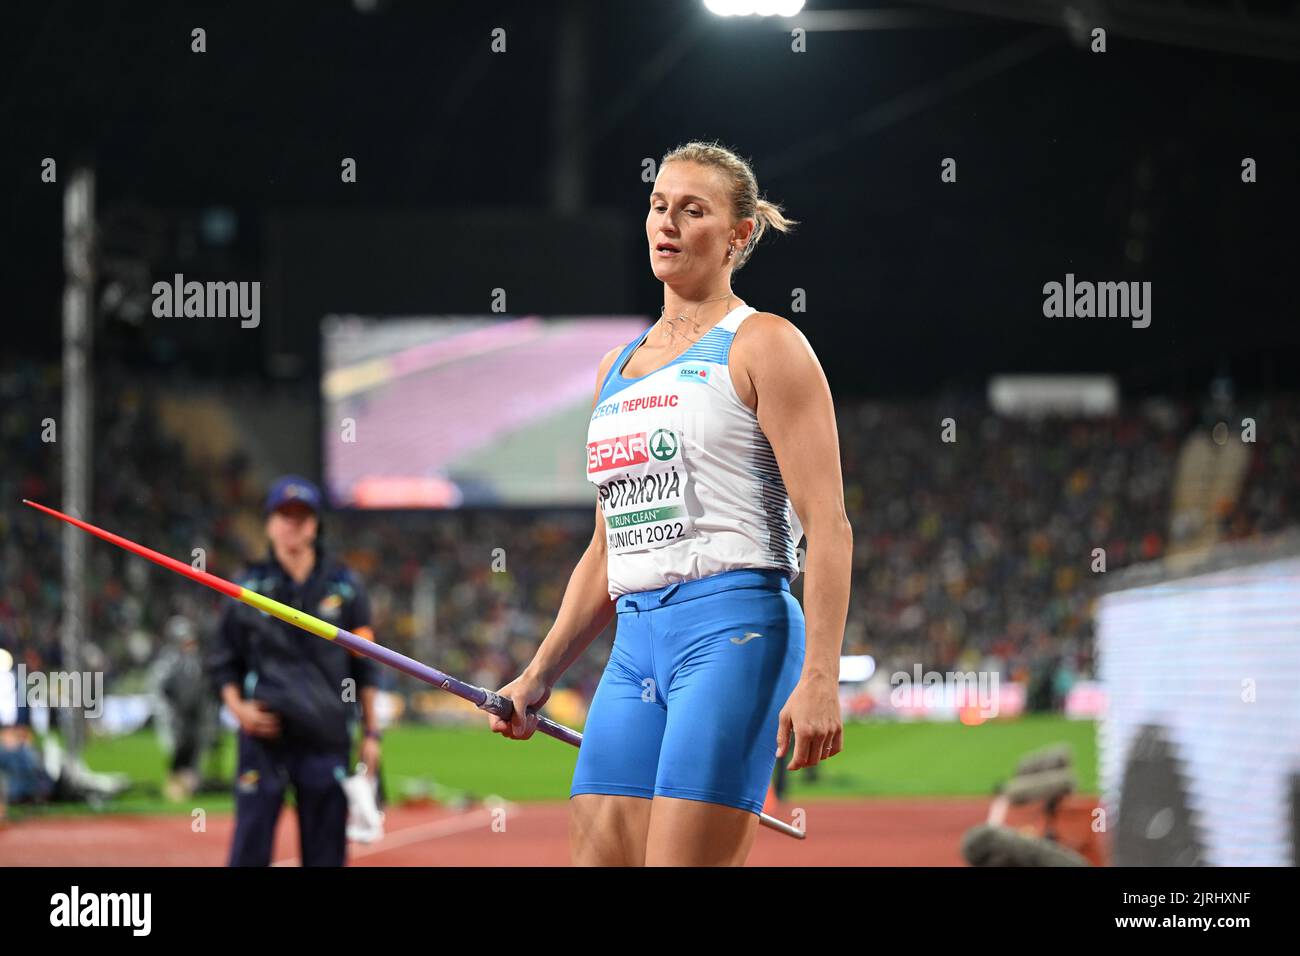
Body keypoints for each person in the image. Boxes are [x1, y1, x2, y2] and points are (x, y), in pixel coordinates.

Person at [488, 141, 853, 866]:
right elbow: (606, 550)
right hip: (633, 647)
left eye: (694, 210)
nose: (668, 223)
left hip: (734, 633)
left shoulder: (765, 345)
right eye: (659, 205)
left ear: (739, 234)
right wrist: (540, 674)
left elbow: (829, 525)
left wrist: (820, 675)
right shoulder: (613, 371)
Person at [207, 475, 382, 866]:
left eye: (302, 516)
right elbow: (222, 662)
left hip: (326, 735)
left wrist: (372, 734)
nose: (293, 525)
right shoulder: (247, 587)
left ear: (316, 524)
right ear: (269, 523)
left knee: (325, 855)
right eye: (284, 516)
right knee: (249, 847)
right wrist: (238, 709)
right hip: (264, 735)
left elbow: (367, 669)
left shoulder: (346, 587)